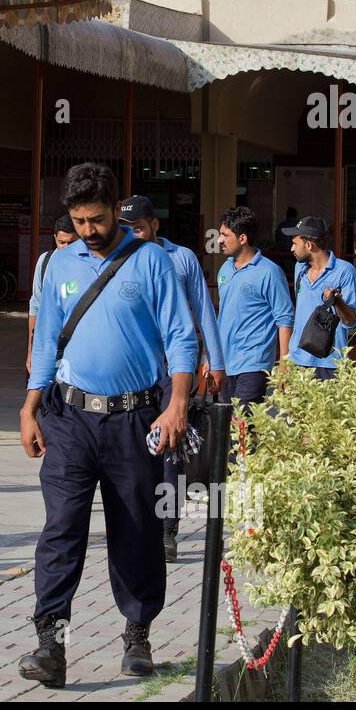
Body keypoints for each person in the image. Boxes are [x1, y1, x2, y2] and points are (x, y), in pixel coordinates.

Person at [19, 162, 198, 687]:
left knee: (136, 529)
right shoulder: (58, 263)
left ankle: (137, 634)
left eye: (96, 220)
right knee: (61, 529)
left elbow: (181, 338)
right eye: (78, 221)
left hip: (135, 419)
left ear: (115, 210)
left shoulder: (151, 262)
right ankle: (51, 643)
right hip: (70, 419)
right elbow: (47, 342)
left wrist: (178, 403)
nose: (88, 231)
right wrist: (31, 407)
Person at [121, 194, 225, 563]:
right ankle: (138, 526)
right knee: (133, 447)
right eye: (125, 229)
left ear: (154, 224)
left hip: (173, 369)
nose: (131, 234)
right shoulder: (118, 259)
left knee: (169, 447)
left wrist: (216, 361)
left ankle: (168, 530)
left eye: (137, 228)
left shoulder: (182, 259)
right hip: (132, 369)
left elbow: (203, 309)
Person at [216, 206, 294, 407]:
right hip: (226, 362)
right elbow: (223, 316)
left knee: (241, 429)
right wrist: (212, 357)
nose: (219, 240)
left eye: (225, 235)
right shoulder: (225, 268)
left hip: (253, 364)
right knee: (231, 431)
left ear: (243, 238)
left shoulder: (270, 272)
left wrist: (284, 365)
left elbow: (284, 319)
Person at [284, 216, 356, 378]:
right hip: (297, 361)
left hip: (330, 363)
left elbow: (351, 321)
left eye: (295, 243)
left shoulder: (345, 271)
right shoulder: (299, 268)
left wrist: (337, 302)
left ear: (309, 245)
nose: (291, 249)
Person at [25, 214, 78, 376]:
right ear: (55, 238)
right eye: (61, 242)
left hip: (77, 346)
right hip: (48, 344)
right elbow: (35, 305)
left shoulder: (89, 264)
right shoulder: (45, 261)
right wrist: (31, 351)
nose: (66, 247)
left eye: (72, 242)